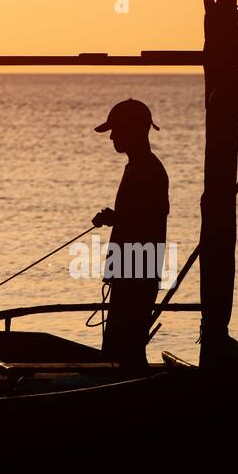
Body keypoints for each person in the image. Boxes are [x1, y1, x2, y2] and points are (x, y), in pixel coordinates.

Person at [92, 99, 169, 372]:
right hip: (131, 271)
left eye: (116, 130)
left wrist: (116, 218)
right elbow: (142, 216)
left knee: (124, 349)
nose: (112, 136)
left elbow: (145, 221)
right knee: (123, 348)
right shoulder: (140, 167)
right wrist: (117, 217)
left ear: (133, 130)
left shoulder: (147, 170)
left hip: (137, 274)